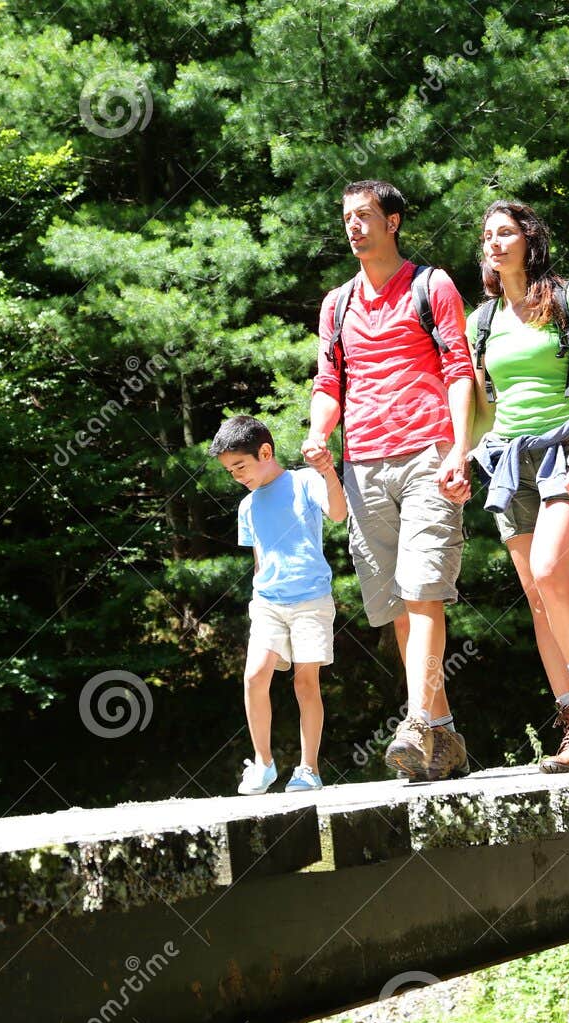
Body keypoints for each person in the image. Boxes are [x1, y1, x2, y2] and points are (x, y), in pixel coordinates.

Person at [303, 179, 475, 782]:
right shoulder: (337, 303)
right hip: (363, 464)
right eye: (346, 216)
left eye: (365, 216)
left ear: (393, 222)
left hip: (428, 453)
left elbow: (460, 369)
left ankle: (417, 723)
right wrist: (318, 434)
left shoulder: (432, 286)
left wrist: (459, 449)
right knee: (397, 605)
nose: (353, 226)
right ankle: (445, 738)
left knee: (425, 589)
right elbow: (329, 384)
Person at [466, 200, 569, 771]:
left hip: (565, 449)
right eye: (488, 236)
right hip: (509, 461)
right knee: (538, 600)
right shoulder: (480, 320)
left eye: (505, 233)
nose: (494, 243)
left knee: (552, 572)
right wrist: (462, 458)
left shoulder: (567, 298)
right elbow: (484, 406)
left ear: (529, 240)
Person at [211, 415, 347, 792]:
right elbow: (260, 558)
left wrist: (328, 472)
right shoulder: (247, 506)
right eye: (229, 470)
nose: (236, 475)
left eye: (240, 465)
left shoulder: (304, 481)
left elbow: (338, 513)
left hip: (310, 600)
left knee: (306, 683)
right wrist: (259, 593)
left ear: (265, 451)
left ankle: (308, 769)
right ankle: (263, 764)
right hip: (268, 602)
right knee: (254, 676)